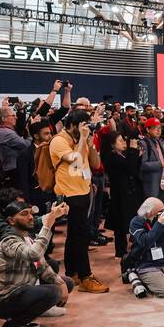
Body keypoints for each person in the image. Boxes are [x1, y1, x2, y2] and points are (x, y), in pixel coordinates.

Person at [0, 198, 71, 327]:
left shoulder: (27, 237)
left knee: (65, 283)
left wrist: (60, 283)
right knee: (53, 292)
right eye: (24, 214)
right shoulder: (8, 241)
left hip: (22, 290)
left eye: (31, 213)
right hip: (2, 300)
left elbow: (42, 266)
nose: (31, 217)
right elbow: (34, 254)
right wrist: (48, 225)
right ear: (11, 221)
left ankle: (24, 317)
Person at [48, 109, 109, 293]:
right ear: (73, 125)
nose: (85, 129)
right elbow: (76, 161)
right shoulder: (59, 141)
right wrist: (82, 140)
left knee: (75, 236)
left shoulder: (80, 140)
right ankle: (85, 276)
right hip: (69, 194)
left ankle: (72, 272)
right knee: (81, 236)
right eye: (82, 126)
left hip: (83, 191)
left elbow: (96, 164)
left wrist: (89, 142)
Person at [102, 132, 144, 259]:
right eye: (120, 141)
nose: (123, 143)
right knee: (120, 224)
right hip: (120, 194)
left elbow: (133, 169)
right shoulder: (111, 157)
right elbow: (128, 167)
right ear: (112, 144)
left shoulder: (122, 155)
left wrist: (137, 155)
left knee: (129, 220)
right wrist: (133, 150)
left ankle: (129, 248)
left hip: (129, 192)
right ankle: (120, 251)